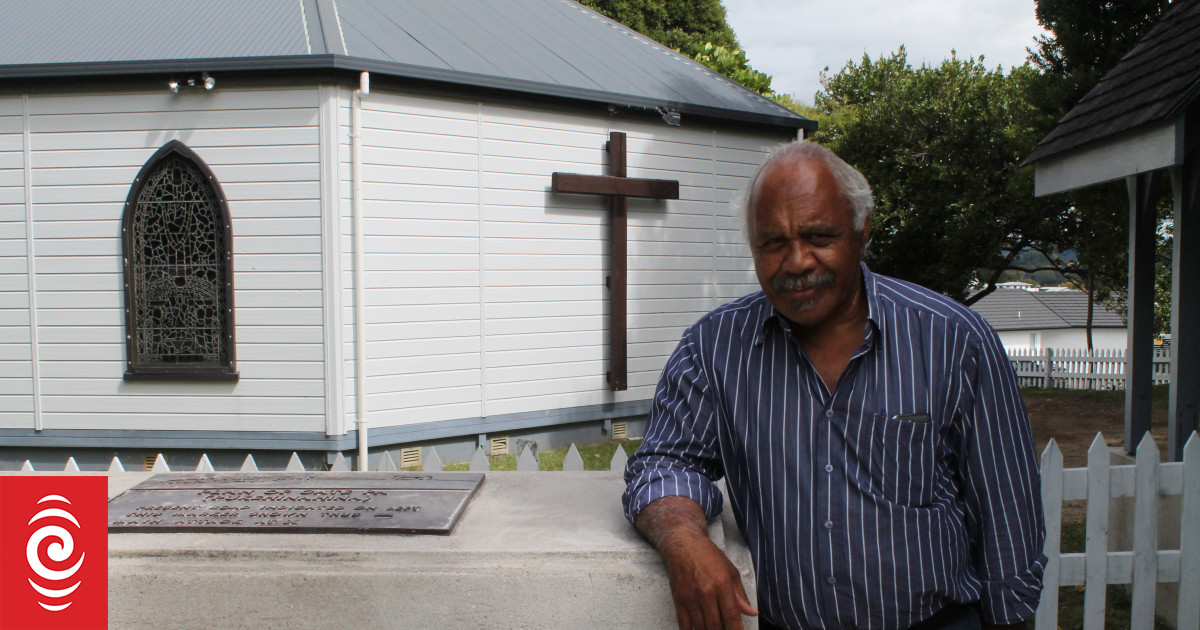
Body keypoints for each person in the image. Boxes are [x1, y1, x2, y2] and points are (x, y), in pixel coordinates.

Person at [622, 141, 1046, 630]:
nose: (797, 261)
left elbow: (1008, 516)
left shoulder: (954, 340)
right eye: (773, 243)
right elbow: (664, 461)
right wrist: (684, 542)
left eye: (819, 236)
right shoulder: (714, 348)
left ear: (862, 233)